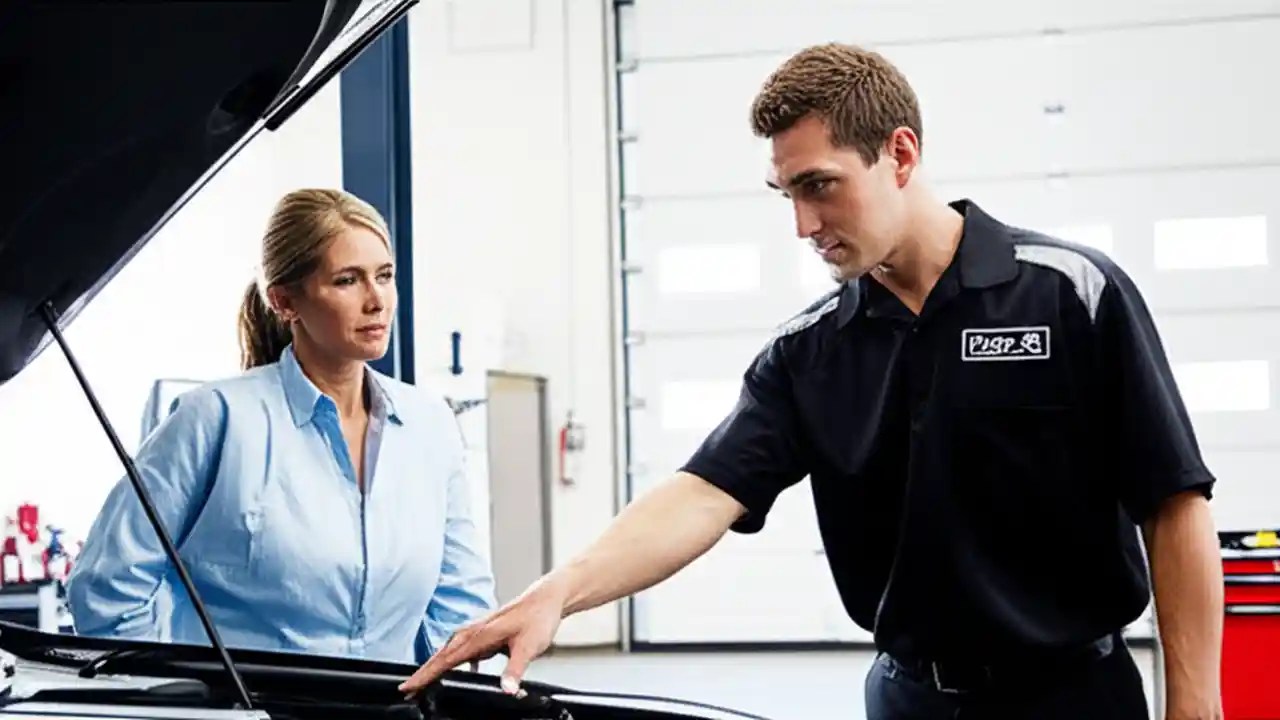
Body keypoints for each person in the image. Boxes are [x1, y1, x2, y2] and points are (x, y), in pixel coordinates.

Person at [399, 43, 1227, 718]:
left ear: (900, 154)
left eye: (819, 187)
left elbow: (1173, 501)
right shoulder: (810, 352)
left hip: (1074, 699)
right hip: (907, 701)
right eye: (785, 193)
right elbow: (700, 493)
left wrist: (1196, 703)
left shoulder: (1072, 292)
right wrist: (559, 594)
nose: (802, 225)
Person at [67, 188, 496, 664]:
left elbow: (464, 606)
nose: (377, 301)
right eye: (348, 280)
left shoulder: (430, 424)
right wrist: (185, 695)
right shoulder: (215, 418)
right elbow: (106, 589)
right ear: (285, 301)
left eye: (385, 275)